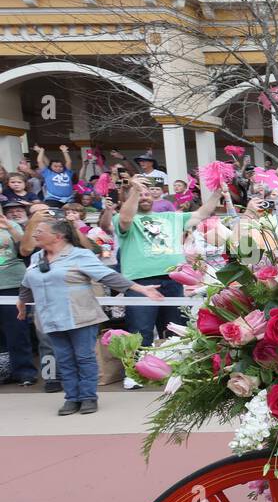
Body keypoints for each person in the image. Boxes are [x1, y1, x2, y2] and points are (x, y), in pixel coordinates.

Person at [17, 218, 163, 414]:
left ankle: (88, 397)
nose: (34, 234)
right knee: (64, 359)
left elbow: (108, 276)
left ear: (57, 236)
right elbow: (27, 283)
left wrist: (141, 289)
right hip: (50, 317)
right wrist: (21, 303)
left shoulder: (80, 255)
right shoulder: (37, 258)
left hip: (80, 315)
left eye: (40, 231)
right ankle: (71, 398)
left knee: (84, 357)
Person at [114, 174, 223, 384]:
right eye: (139, 194)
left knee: (175, 328)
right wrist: (134, 190)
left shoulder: (172, 217)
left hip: (174, 279)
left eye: (147, 193)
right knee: (140, 329)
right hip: (141, 281)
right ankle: (134, 373)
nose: (144, 197)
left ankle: (176, 371)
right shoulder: (124, 218)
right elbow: (126, 219)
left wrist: (217, 192)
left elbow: (202, 214)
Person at [0, 200, 37, 385]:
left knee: (16, 330)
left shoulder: (12, 224)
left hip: (11, 283)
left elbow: (25, 250)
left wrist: (9, 227)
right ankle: (4, 371)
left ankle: (25, 372)